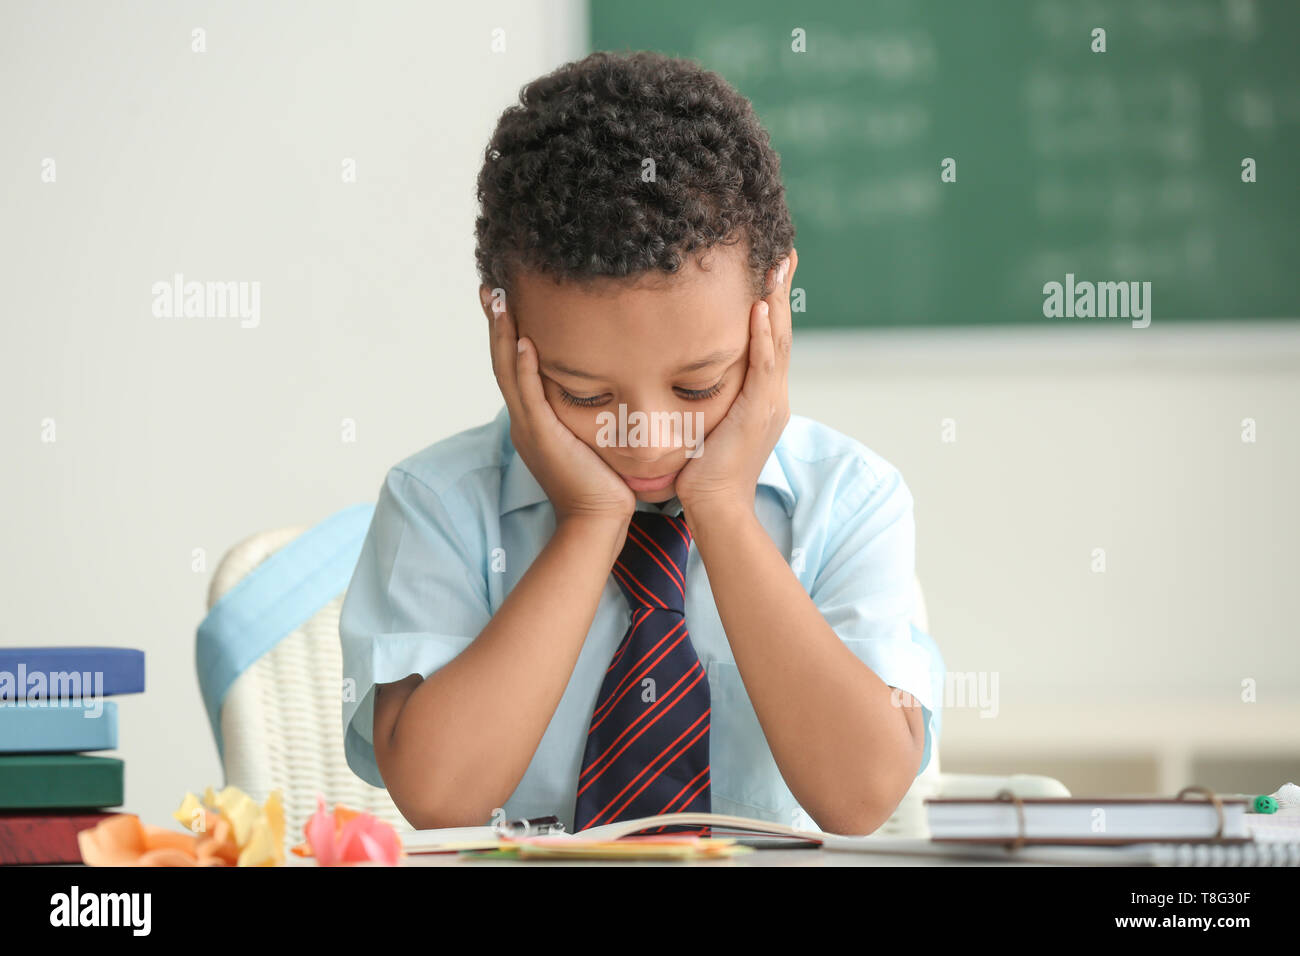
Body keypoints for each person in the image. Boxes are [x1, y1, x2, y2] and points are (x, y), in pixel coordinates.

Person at [340, 50, 938, 836]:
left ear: (773, 305)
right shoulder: (441, 508)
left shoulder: (849, 500)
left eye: (697, 387)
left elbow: (862, 796)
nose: (647, 436)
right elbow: (440, 797)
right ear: (505, 327)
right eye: (584, 394)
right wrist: (589, 523)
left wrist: (721, 507)